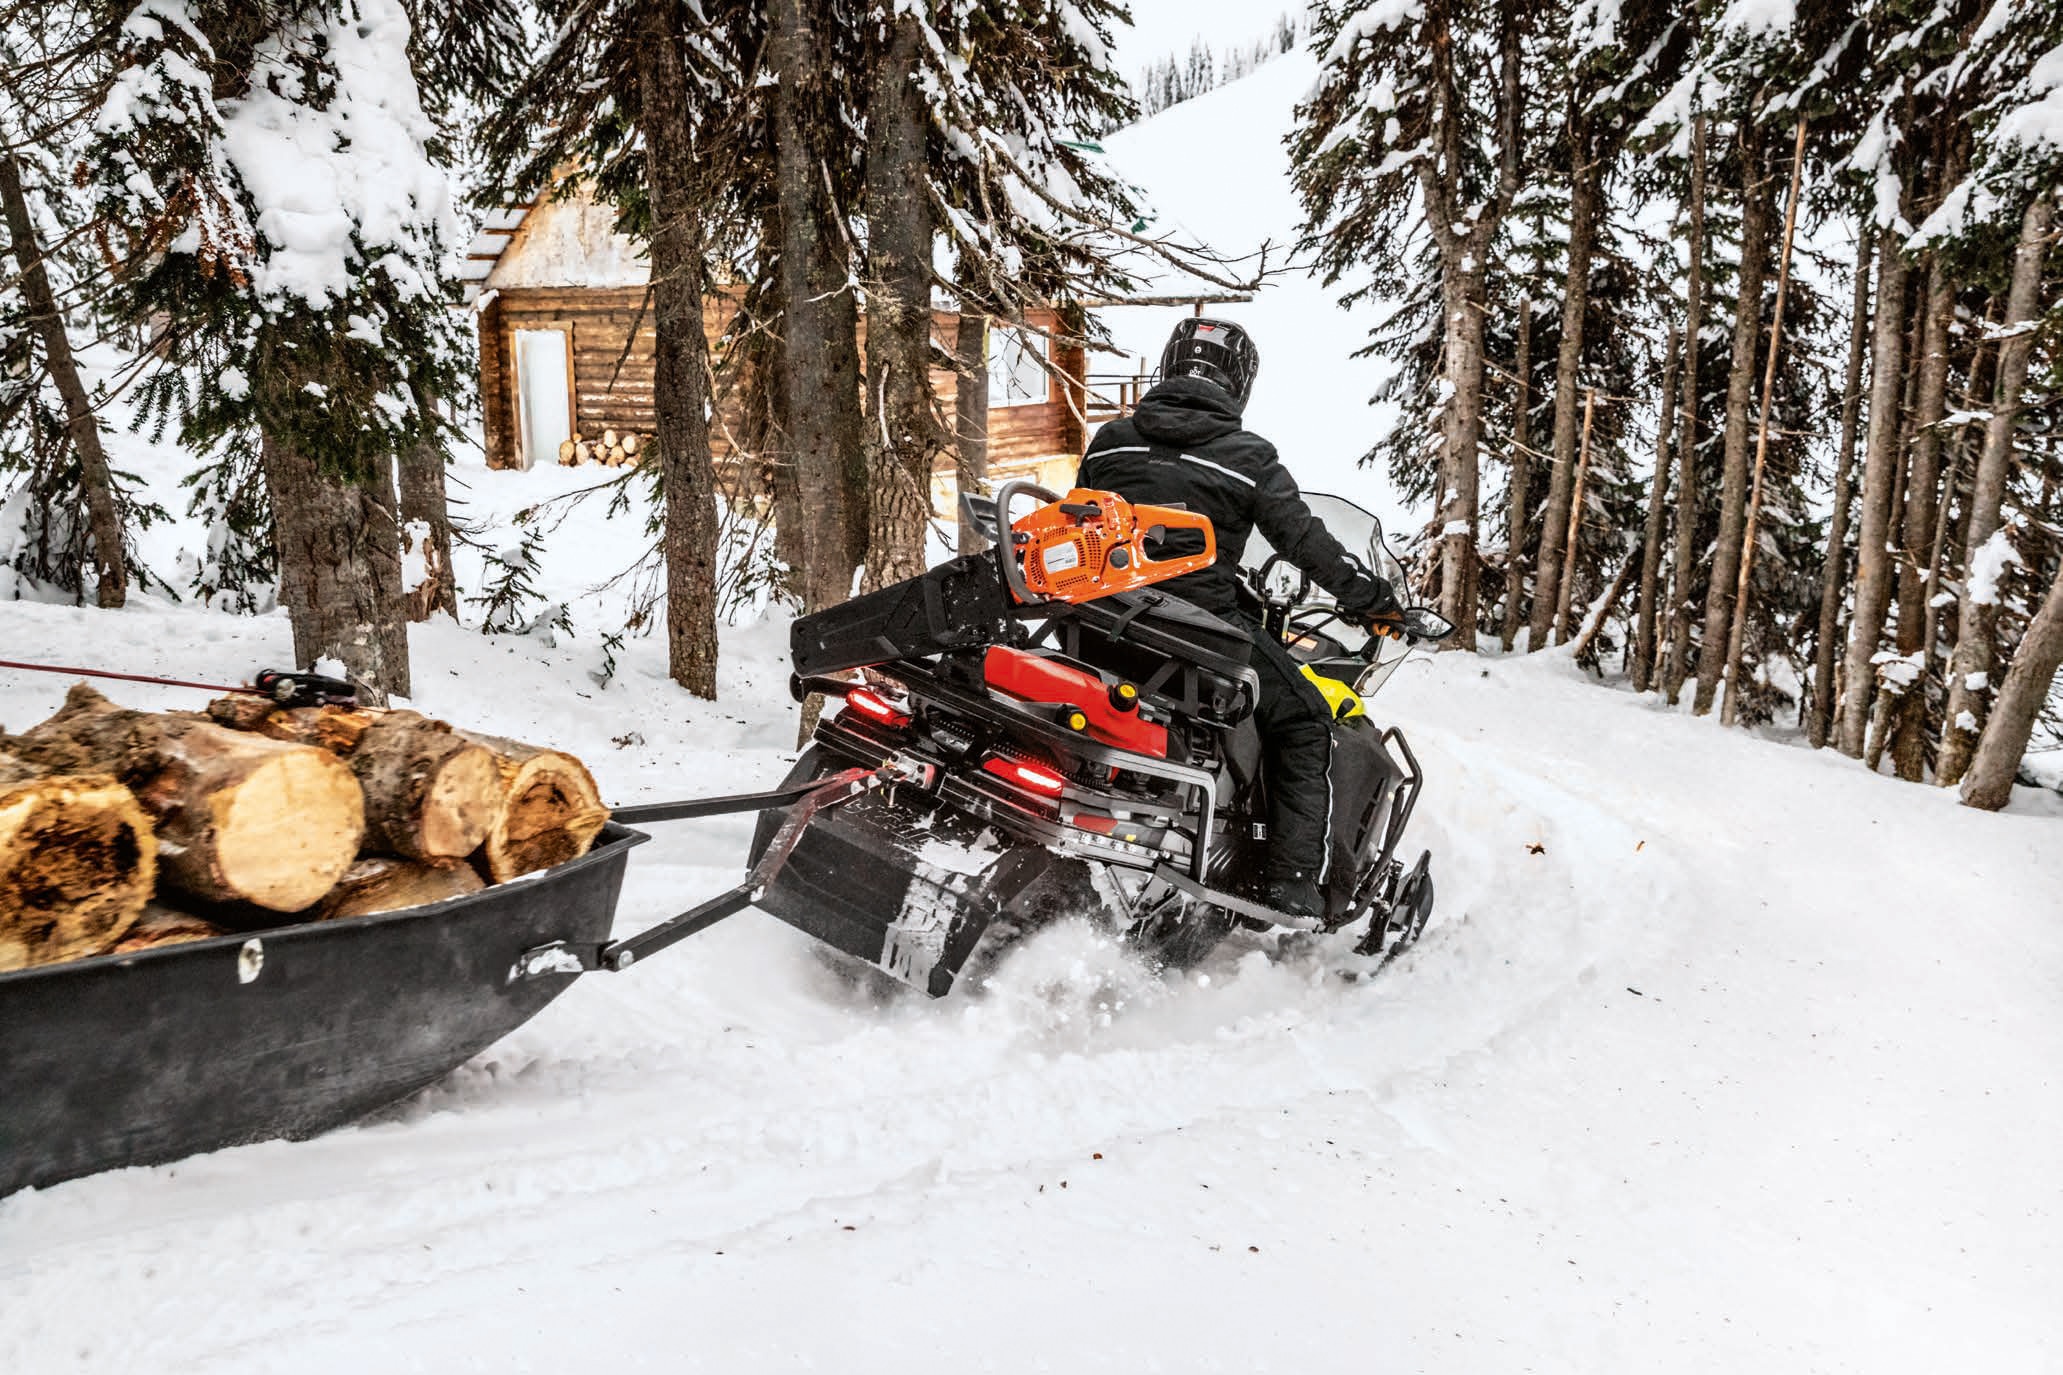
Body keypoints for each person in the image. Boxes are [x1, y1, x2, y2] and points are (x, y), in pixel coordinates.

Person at [1076, 317, 1401, 919]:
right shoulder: (1249, 457)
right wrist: (1371, 597)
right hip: (1196, 637)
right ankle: (1292, 882)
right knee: (1306, 719)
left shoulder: (1112, 440)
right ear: (1240, 384)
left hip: (1100, 623)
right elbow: (1307, 542)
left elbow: (1085, 525)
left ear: (1169, 365)